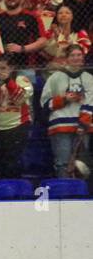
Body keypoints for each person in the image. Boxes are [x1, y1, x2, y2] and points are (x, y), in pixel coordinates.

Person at [40, 45, 92, 177]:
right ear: (66, 58)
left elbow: (91, 102)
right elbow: (44, 103)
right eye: (72, 55)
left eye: (79, 55)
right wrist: (64, 99)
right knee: (62, 163)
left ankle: (80, 189)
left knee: (81, 165)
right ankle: (64, 189)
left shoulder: (89, 78)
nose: (76, 58)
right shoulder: (55, 78)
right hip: (60, 126)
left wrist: (83, 123)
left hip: (83, 127)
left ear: (83, 57)